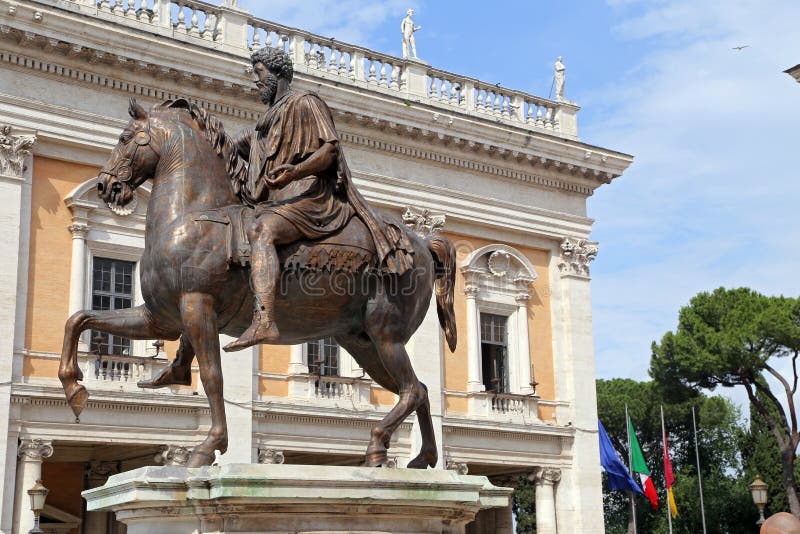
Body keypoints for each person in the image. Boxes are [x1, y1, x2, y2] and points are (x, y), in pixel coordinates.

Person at [224, 47, 412, 351]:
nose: (255, 80)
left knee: (262, 231)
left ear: (276, 74)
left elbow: (330, 151)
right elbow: (233, 146)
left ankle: (264, 320)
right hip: (281, 202)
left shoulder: (306, 104)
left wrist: (293, 172)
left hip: (311, 197)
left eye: (258, 73)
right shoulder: (266, 125)